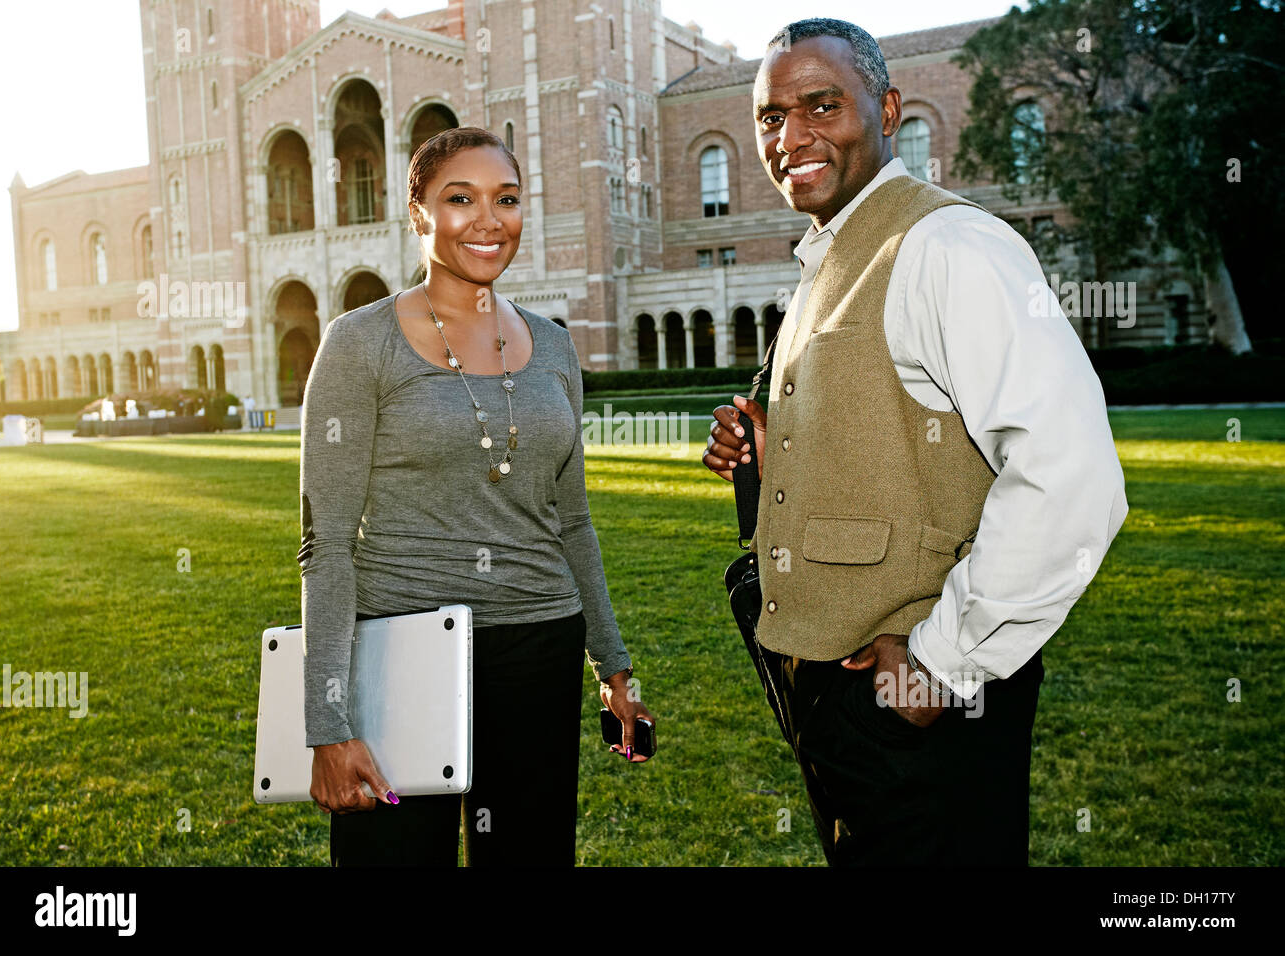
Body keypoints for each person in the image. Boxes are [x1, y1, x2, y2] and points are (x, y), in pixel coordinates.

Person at [702, 18, 1128, 866]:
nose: (791, 138)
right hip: (846, 704)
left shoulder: (948, 245)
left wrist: (942, 665)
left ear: (887, 108)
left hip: (916, 711)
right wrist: (767, 446)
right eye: (770, 118)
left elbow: (1071, 477)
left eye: (822, 106)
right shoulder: (832, 253)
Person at [298, 126, 653, 867]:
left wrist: (614, 672)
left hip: (539, 646)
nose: (489, 220)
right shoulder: (359, 342)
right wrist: (329, 725)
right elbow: (327, 542)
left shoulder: (554, 347)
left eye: (507, 199)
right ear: (418, 213)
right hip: (404, 654)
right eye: (460, 199)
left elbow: (574, 522)